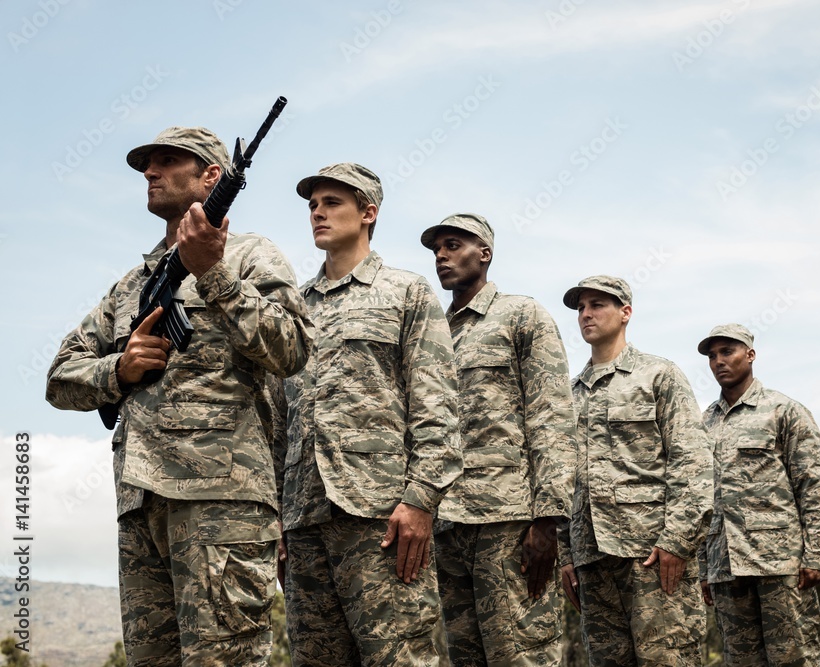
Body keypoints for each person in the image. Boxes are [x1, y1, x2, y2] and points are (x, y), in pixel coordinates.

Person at [45, 126, 313, 666]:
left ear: (212, 176)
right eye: (148, 164)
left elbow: (293, 350)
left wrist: (214, 274)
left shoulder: (251, 256)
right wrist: (117, 370)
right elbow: (58, 377)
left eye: (168, 161)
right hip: (140, 506)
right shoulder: (131, 285)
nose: (151, 172)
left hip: (221, 500)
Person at [280, 163, 462, 666]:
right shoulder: (292, 306)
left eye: (332, 202)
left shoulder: (406, 291)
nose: (317, 212)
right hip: (304, 517)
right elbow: (280, 416)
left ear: (368, 213)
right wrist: (278, 519)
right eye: (312, 204)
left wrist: (422, 501)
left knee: (400, 657)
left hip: (381, 517)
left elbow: (437, 406)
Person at [420, 214, 576, 666]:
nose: (442, 256)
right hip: (447, 526)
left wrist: (548, 520)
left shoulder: (521, 315)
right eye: (436, 251)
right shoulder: (431, 332)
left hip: (508, 523)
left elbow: (552, 418)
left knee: (521, 656)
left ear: (484, 253)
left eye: (452, 245)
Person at [558, 276, 713, 666]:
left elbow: (693, 464)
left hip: (652, 556)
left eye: (597, 305)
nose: (586, 314)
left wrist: (677, 541)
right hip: (592, 561)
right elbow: (560, 480)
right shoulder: (569, 394)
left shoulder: (658, 376)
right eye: (580, 308)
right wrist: (565, 555)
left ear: (626, 312)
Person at [696, 323, 820, 667]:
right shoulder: (703, 425)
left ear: (750, 355)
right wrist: (704, 568)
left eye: (727, 352)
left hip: (780, 563)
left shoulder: (783, 411)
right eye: (712, 355)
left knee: (792, 659)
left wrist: (819, 553)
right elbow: (700, 502)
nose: (719, 361)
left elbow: (814, 483)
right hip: (725, 567)